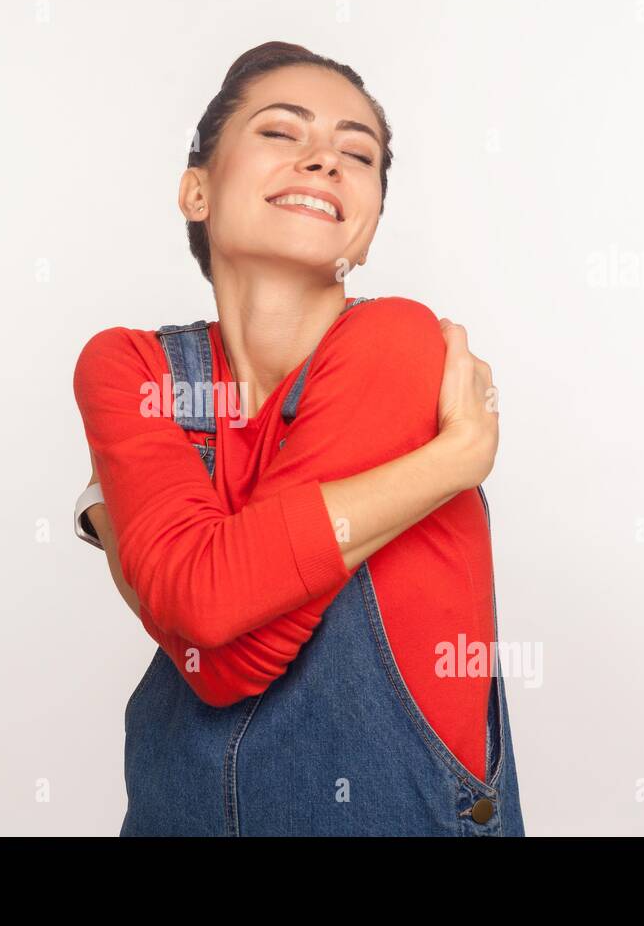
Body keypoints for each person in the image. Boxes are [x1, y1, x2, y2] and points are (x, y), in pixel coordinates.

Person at [71, 41, 524, 836]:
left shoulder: (402, 343)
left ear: (370, 223)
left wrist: (143, 542)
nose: (325, 162)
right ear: (197, 189)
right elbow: (210, 608)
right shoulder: (128, 366)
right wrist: (450, 463)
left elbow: (217, 638)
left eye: (358, 153)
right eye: (282, 133)